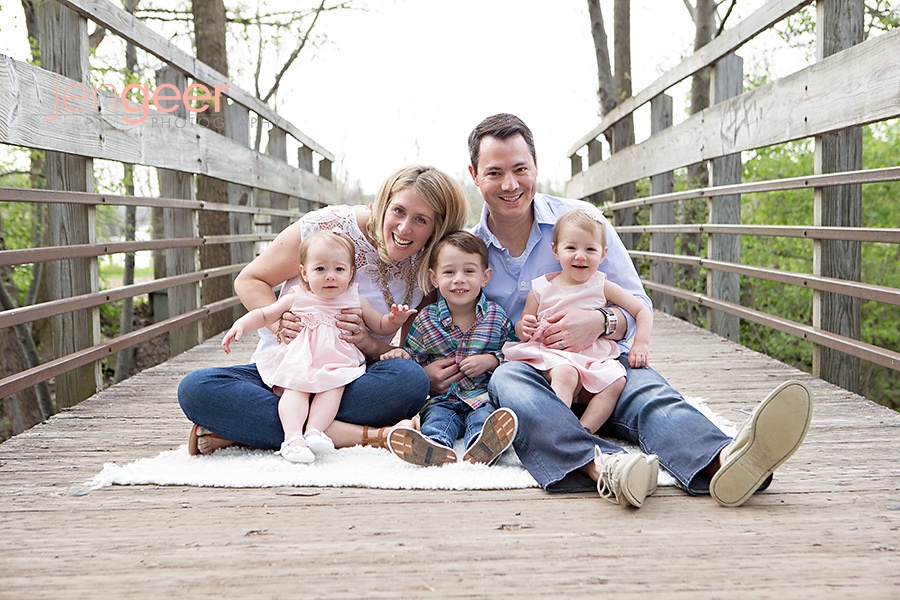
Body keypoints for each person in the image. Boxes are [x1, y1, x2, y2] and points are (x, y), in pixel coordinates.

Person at [425, 113, 813, 509]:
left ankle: (726, 461)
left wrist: (601, 321)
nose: (510, 184)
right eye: (495, 172)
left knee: (649, 393)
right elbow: (434, 321)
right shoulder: (465, 252)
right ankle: (604, 465)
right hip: (534, 374)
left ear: (536, 168)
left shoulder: (583, 223)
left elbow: (636, 303)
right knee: (509, 383)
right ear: (474, 174)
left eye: (520, 169)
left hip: (600, 359)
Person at [179, 165, 469, 456]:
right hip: (285, 373)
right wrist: (279, 324)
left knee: (409, 380)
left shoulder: (431, 264)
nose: (404, 228)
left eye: (421, 220)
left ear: (436, 228)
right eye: (398, 211)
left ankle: (246, 431)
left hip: (348, 374)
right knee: (195, 389)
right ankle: (371, 435)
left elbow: (406, 350)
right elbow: (250, 280)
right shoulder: (327, 227)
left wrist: (370, 344)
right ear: (384, 204)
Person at [221, 230, 417, 463]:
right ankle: (292, 438)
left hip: (337, 364)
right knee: (296, 391)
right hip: (301, 360)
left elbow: (380, 325)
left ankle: (315, 431)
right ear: (304, 273)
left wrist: (395, 319)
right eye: (320, 269)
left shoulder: (354, 298)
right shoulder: (298, 297)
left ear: (351, 273)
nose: (330, 277)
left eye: (339, 269)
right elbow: (264, 314)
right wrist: (241, 324)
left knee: (333, 390)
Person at [503, 208, 653, 435]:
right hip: (554, 355)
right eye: (571, 248)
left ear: (603, 254)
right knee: (565, 373)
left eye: (590, 249)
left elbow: (641, 309)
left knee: (617, 380)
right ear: (555, 251)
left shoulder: (601, 284)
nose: (580, 256)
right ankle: (559, 427)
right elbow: (524, 324)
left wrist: (640, 343)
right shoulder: (541, 287)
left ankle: (584, 431)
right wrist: (524, 326)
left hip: (592, 356)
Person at [381, 231, 518, 467]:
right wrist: (401, 355)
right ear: (434, 278)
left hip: (483, 396)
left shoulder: (496, 317)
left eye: (469, 271)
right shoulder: (426, 320)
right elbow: (414, 357)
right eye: (449, 272)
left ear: (485, 277)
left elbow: (515, 353)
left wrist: (492, 360)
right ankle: (433, 446)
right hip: (443, 398)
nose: (459, 279)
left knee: (485, 418)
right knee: (436, 418)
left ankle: (483, 446)